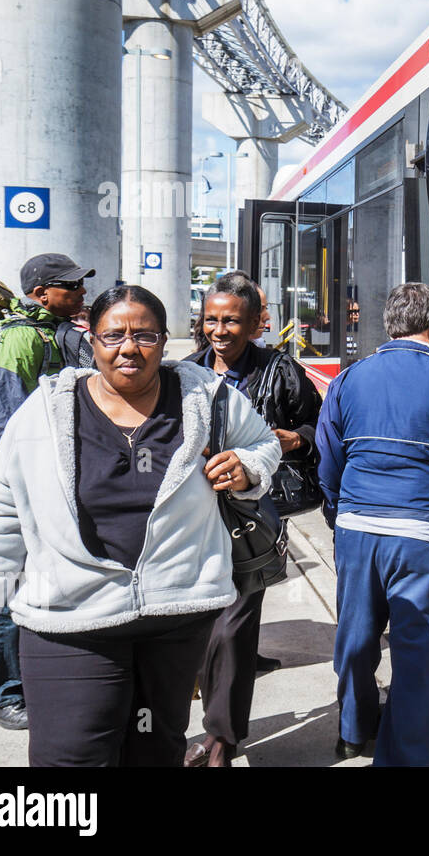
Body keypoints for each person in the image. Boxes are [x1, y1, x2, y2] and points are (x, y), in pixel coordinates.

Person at [0, 285, 281, 766]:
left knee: (155, 751)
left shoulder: (207, 399)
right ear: (92, 341)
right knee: (70, 758)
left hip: (174, 621)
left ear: (164, 341)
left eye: (144, 335)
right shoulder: (44, 413)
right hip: (70, 623)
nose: (129, 348)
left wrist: (247, 469)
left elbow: (264, 444)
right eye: (113, 335)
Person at [316, 282, 429, 766]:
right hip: (423, 537)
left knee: (356, 637)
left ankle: (354, 729)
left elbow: (328, 459)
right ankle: (407, 757)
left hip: (357, 529)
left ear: (390, 326)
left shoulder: (348, 380)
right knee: (419, 654)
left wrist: (340, 515)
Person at [183, 272, 321, 767]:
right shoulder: (184, 372)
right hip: (193, 519)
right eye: (211, 320)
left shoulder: (281, 371)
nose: (219, 331)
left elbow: (320, 425)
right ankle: (209, 719)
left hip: (248, 517)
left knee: (232, 627)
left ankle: (221, 738)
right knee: (202, 628)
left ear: (254, 324)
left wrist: (295, 439)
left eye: (231, 321)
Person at [0, 252, 96, 731]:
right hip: (1, 483)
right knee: (5, 585)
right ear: (41, 293)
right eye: (70, 286)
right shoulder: (15, 340)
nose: (81, 292)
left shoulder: (47, 332)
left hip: (21, 480)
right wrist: (33, 489)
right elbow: (5, 426)